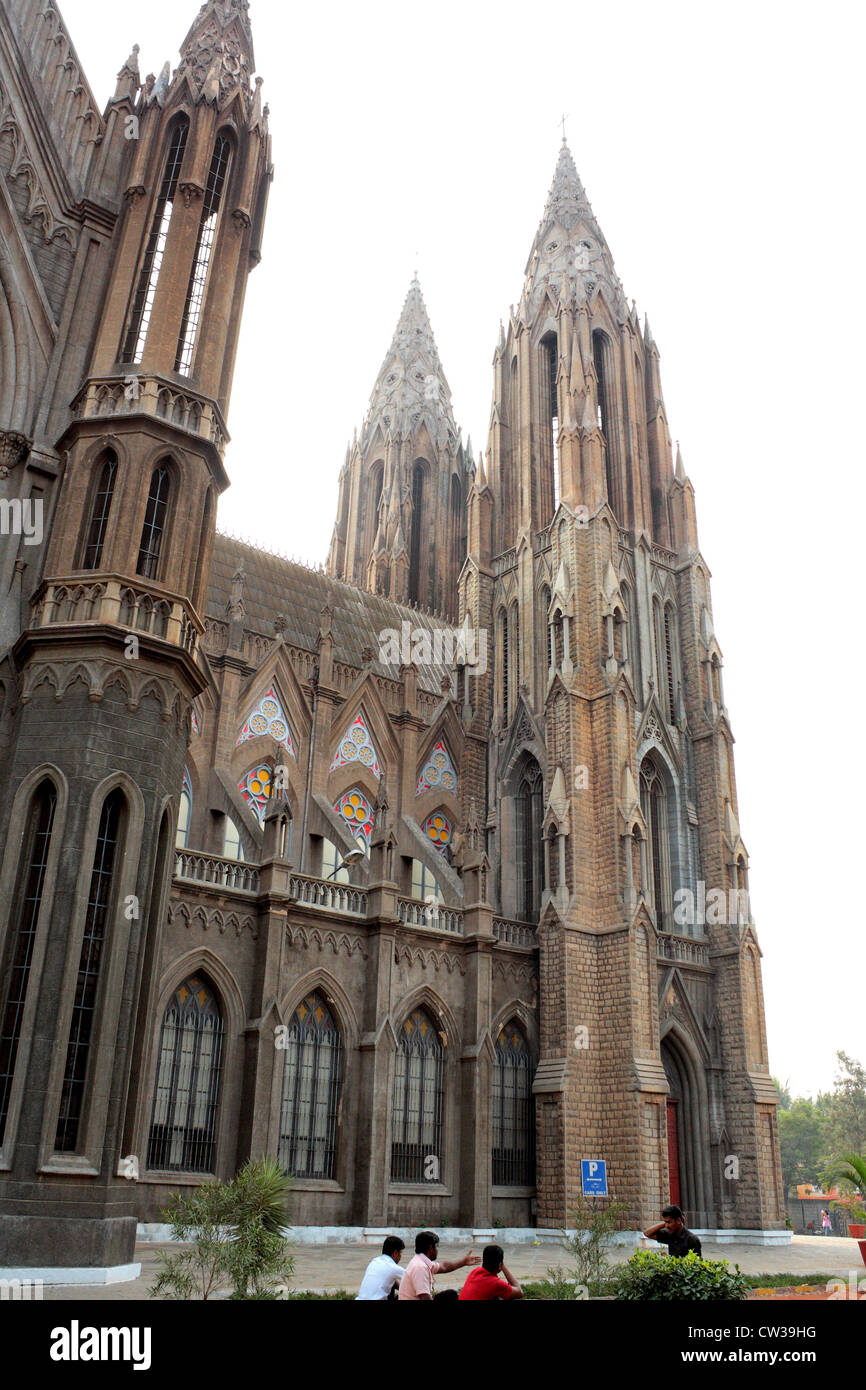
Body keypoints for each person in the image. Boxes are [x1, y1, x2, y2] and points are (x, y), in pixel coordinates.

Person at [398, 1231, 480, 1300]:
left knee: (450, 1294)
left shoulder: (421, 1260)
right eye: (437, 1247)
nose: (437, 1250)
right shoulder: (420, 1267)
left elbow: (444, 1267)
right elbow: (425, 1297)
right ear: (431, 1248)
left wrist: (463, 1261)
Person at [459, 1244, 523, 1301]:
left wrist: (500, 1264)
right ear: (500, 1265)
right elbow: (519, 1293)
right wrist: (502, 1265)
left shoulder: (474, 1272)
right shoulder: (496, 1283)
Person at [355, 1235, 406, 1300]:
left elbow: (388, 1277)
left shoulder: (375, 1261)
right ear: (395, 1253)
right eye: (400, 1253)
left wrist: (401, 1288)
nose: (400, 1256)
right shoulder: (393, 1267)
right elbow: (412, 1278)